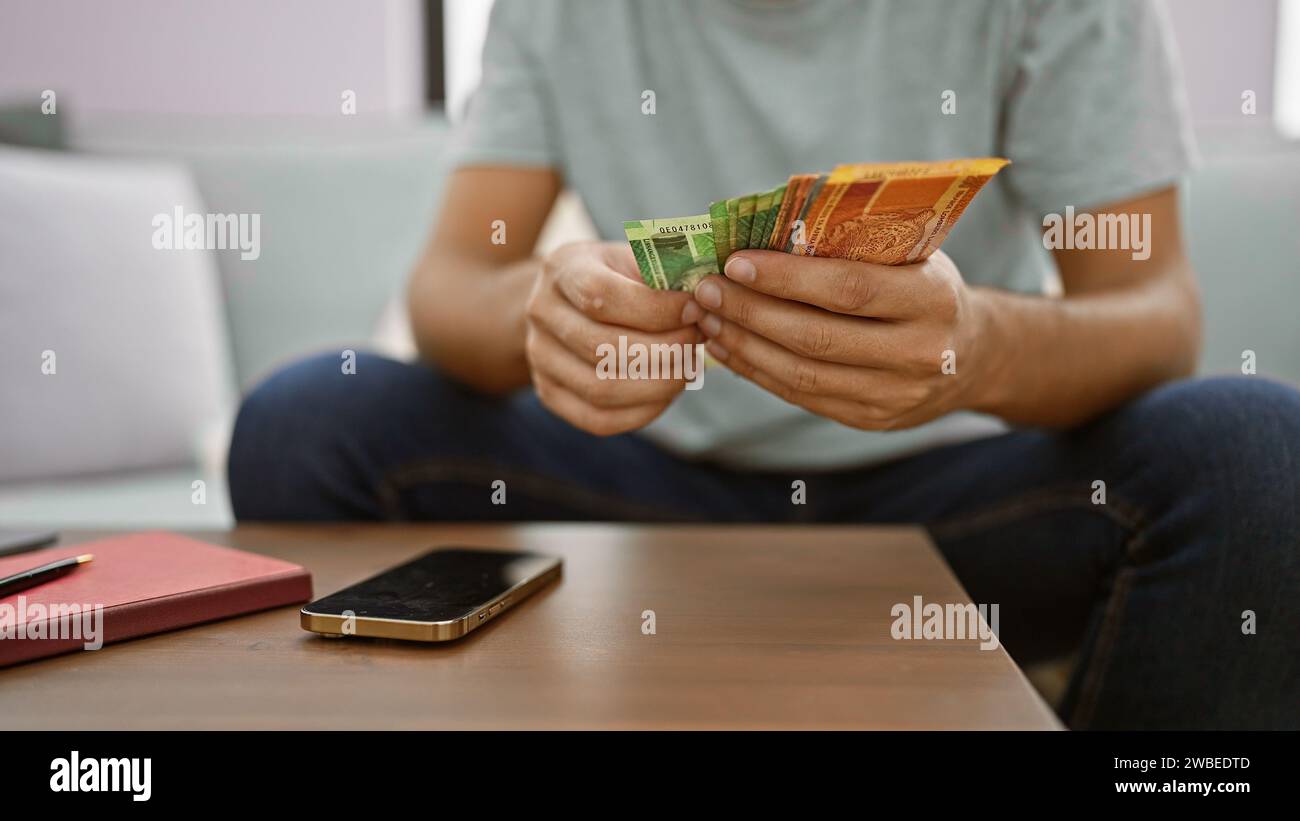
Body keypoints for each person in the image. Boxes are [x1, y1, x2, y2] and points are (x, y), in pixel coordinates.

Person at [227, 0, 1299, 729]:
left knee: (1257, 451)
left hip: (961, 500)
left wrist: (973, 353)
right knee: (304, 419)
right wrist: (544, 311)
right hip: (641, 486)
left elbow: (1157, 318)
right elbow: (452, 284)